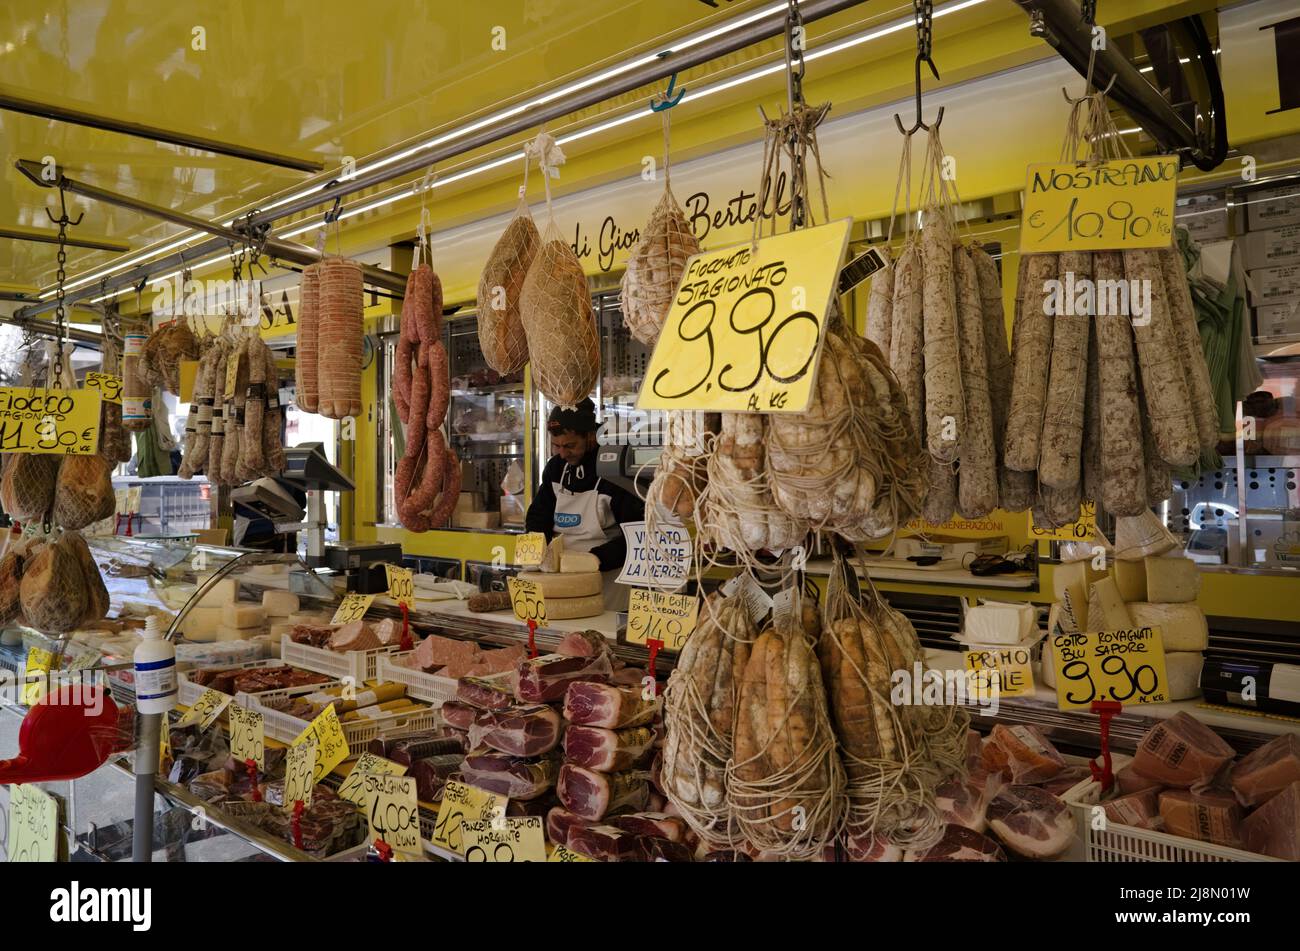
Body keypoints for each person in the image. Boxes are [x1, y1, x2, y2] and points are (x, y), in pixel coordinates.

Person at [525, 399, 643, 572]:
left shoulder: (614, 469)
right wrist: (535, 548)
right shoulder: (556, 468)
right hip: (560, 572)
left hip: (606, 574)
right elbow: (539, 514)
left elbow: (635, 533)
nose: (563, 454)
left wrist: (595, 559)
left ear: (590, 436)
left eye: (570, 446)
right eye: (556, 446)